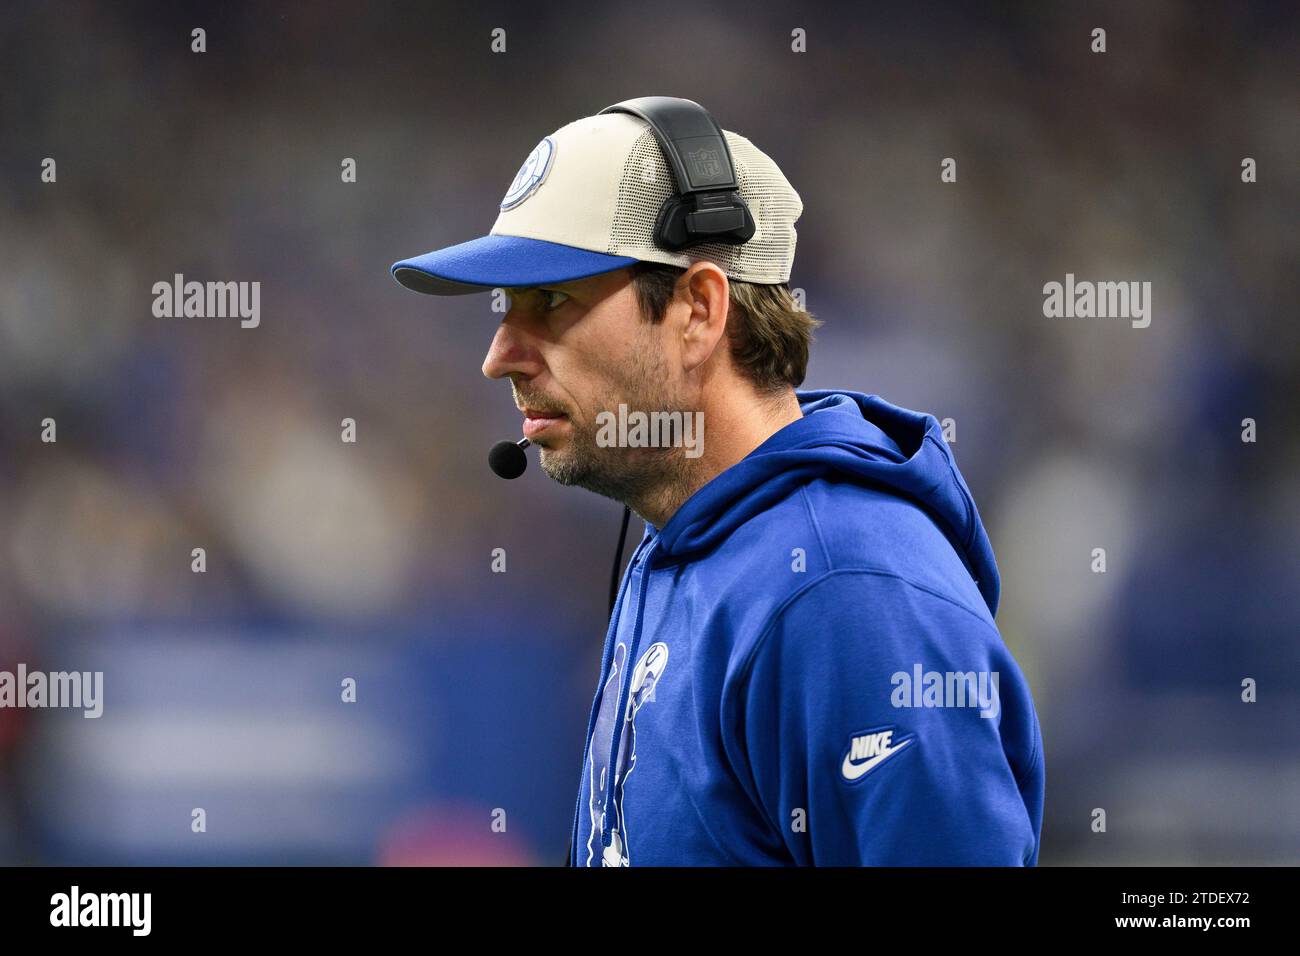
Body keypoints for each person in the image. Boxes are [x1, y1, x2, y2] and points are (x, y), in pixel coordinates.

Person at [391, 97, 1044, 866]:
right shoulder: (683, 546)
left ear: (699, 309)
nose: (500, 355)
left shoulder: (845, 591)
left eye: (552, 300)